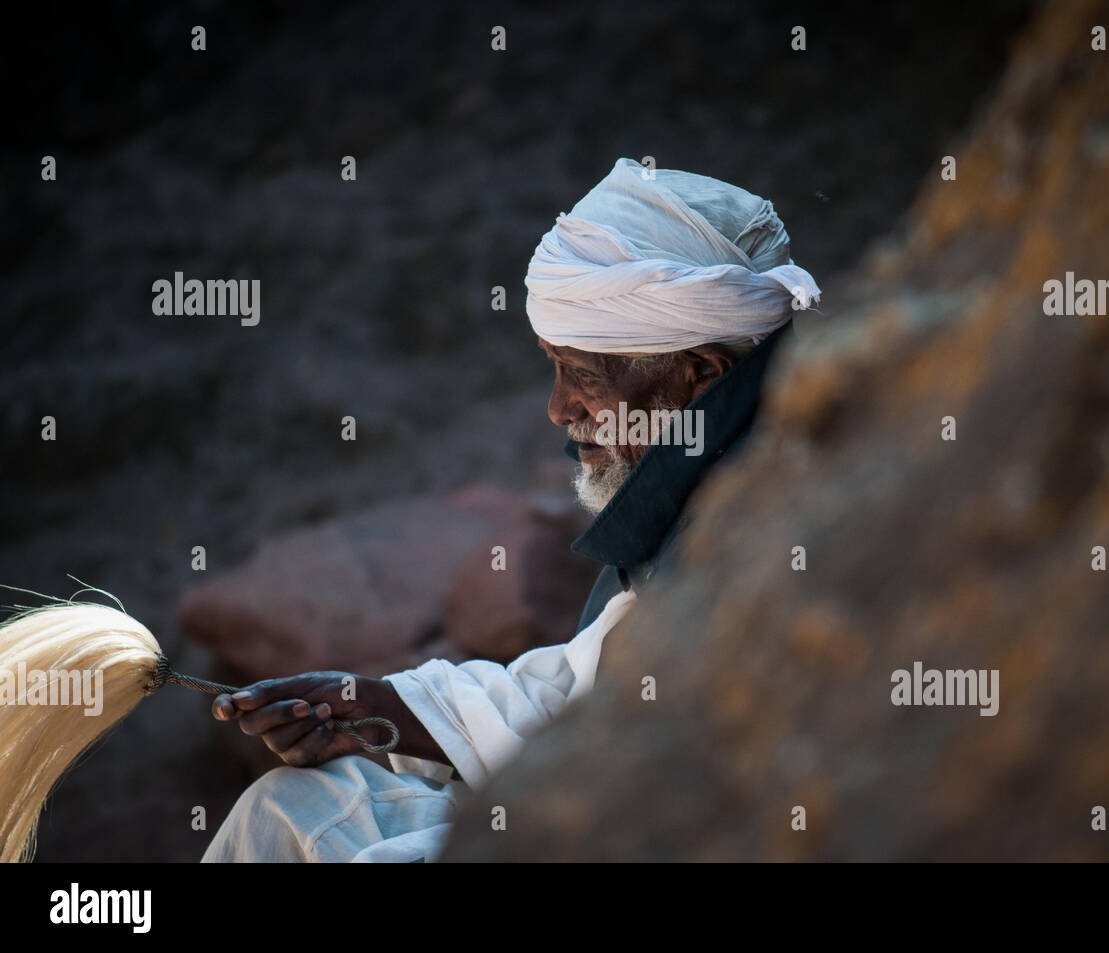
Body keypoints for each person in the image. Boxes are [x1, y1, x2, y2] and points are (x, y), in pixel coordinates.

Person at [201, 157, 821, 861]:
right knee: (284, 808)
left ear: (697, 375)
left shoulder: (749, 538)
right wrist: (383, 710)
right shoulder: (711, 480)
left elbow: (645, 793)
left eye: (583, 375)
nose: (558, 407)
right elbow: (588, 685)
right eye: (553, 367)